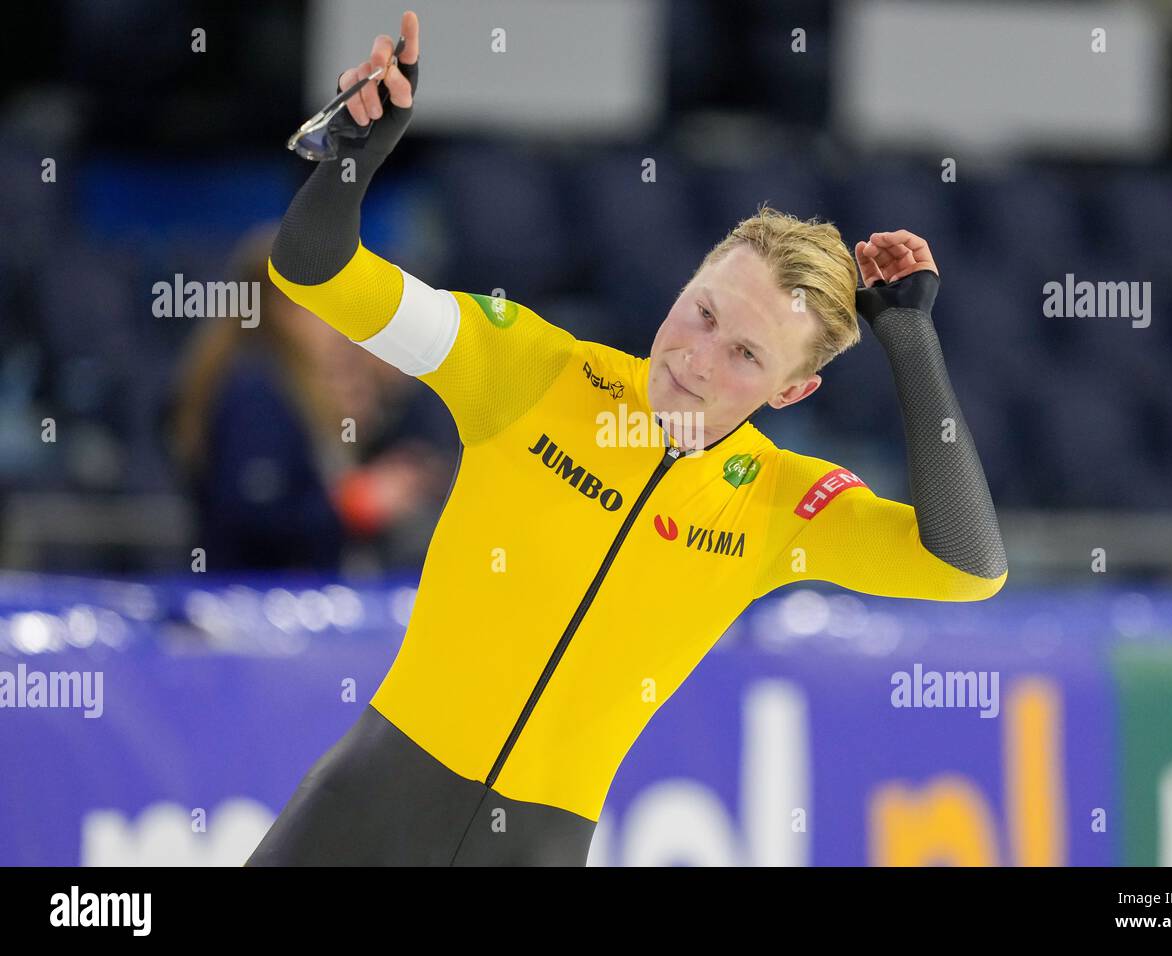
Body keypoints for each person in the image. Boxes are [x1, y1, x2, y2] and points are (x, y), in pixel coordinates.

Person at [246, 11, 1007, 866]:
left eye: (747, 355)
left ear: (794, 391)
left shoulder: (775, 504)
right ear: (686, 282)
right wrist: (355, 159)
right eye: (704, 310)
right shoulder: (530, 368)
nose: (698, 357)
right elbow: (315, 268)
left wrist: (911, 342)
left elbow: (967, 567)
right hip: (363, 813)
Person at [165, 224, 450, 573]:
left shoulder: (295, 385)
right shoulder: (255, 392)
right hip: (251, 607)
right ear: (283, 309)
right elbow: (254, 516)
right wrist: (356, 504)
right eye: (325, 303)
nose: (338, 321)